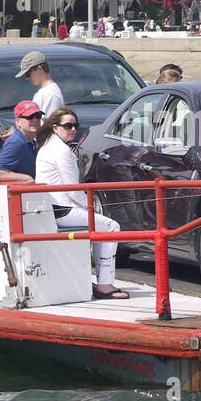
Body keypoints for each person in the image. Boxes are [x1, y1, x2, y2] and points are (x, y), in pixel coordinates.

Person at [36, 108, 127, 299]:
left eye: (75, 126)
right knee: (111, 226)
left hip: (50, 209)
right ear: (55, 128)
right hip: (62, 210)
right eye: (67, 126)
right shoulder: (62, 151)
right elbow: (72, 189)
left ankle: (101, 281)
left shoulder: (48, 146)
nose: (72, 130)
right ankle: (105, 285)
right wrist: (89, 207)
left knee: (102, 226)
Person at [0, 100, 42, 183]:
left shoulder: (29, 141)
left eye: (38, 115)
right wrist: (26, 178)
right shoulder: (16, 143)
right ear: (17, 122)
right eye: (30, 116)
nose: (35, 120)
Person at [15, 50, 65, 116]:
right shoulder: (45, 92)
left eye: (28, 74)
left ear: (39, 69)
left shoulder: (50, 95)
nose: (26, 78)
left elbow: (49, 124)